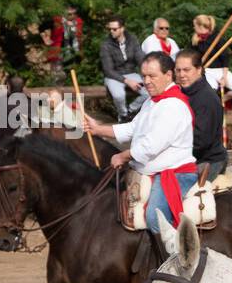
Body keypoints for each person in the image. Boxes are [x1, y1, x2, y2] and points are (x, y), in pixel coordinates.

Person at [83, 51, 198, 233]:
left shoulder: (173, 106)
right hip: (152, 171)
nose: (147, 81)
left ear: (168, 75)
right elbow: (132, 128)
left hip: (173, 174)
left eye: (152, 76)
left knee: (155, 218)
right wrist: (98, 129)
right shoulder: (153, 102)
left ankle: (176, 260)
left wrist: (122, 156)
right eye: (144, 76)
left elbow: (150, 147)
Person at [174, 47, 227, 183]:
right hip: (189, 156)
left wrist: (171, 153)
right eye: (178, 70)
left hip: (207, 160)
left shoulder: (206, 99)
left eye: (187, 70)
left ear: (199, 70)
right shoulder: (183, 92)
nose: (181, 75)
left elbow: (200, 141)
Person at [99, 17, 148, 119]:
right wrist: (127, 81)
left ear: (122, 29)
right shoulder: (105, 45)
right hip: (113, 76)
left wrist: (146, 70)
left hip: (131, 73)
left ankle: (130, 110)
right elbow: (108, 70)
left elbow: (139, 57)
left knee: (148, 92)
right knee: (119, 96)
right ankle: (123, 115)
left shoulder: (132, 39)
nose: (111, 31)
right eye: (109, 29)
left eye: (114, 29)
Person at [191, 14, 232, 98]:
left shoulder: (217, 38)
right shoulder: (195, 40)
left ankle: (221, 100)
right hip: (205, 70)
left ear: (201, 26)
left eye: (195, 25)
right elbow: (192, 57)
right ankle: (212, 104)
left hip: (220, 70)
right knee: (212, 88)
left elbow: (225, 57)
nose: (194, 28)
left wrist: (224, 77)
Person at [42, 5, 82, 84]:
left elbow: (78, 36)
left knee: (72, 76)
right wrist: (46, 39)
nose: (71, 16)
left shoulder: (78, 21)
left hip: (72, 52)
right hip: (57, 52)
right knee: (57, 77)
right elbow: (42, 27)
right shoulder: (57, 20)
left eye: (73, 14)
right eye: (69, 14)